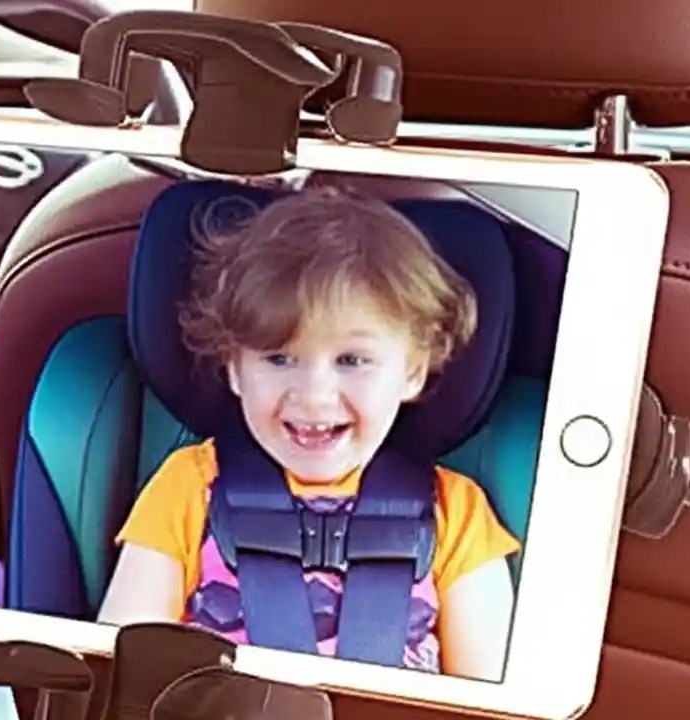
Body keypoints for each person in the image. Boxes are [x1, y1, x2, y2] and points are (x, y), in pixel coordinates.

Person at [97, 187, 520, 680]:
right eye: (279, 358)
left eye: (352, 361)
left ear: (413, 371)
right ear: (234, 368)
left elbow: (489, 699)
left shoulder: (457, 513)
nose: (314, 395)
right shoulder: (188, 488)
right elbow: (120, 671)